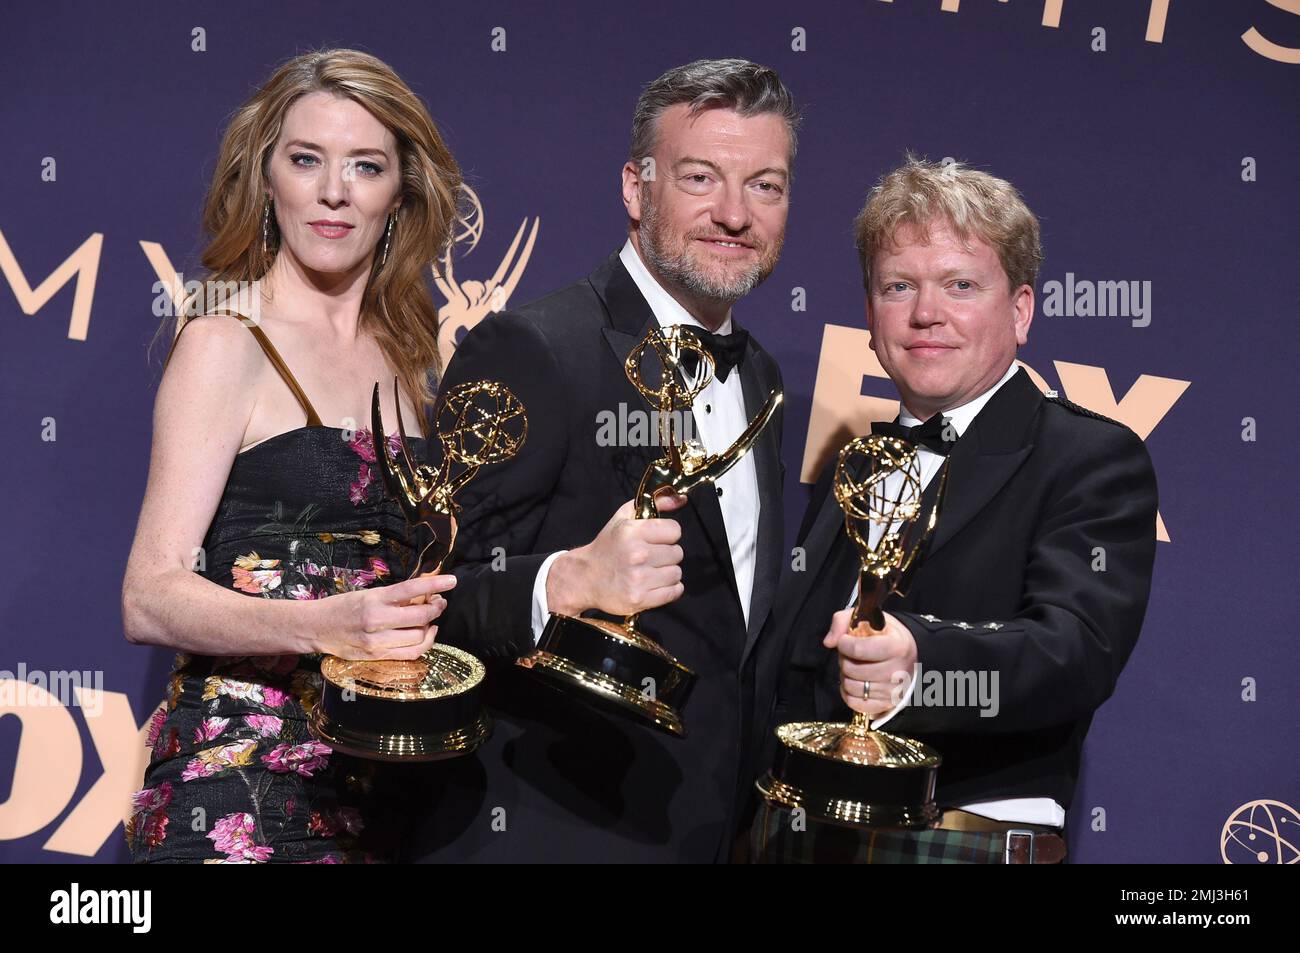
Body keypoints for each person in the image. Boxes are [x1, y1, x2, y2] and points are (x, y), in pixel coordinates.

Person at [410, 59, 797, 863]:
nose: (734, 213)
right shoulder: (533, 348)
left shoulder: (761, 376)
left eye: (765, 185)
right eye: (701, 177)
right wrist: (567, 579)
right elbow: (426, 603)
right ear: (635, 188)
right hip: (547, 833)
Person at [757, 156, 1159, 864]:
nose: (924, 313)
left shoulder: (1089, 456)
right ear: (870, 314)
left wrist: (922, 664)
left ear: (1022, 310)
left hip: (958, 835)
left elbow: (1075, 652)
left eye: (961, 285)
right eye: (898, 286)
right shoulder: (856, 463)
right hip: (793, 833)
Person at [121, 49, 466, 863]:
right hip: (244, 785)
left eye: (366, 166)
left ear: (401, 191)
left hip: (394, 795)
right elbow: (149, 595)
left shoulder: (423, 366)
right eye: (306, 159)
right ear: (266, 176)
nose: (334, 191)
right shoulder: (226, 340)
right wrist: (322, 624)